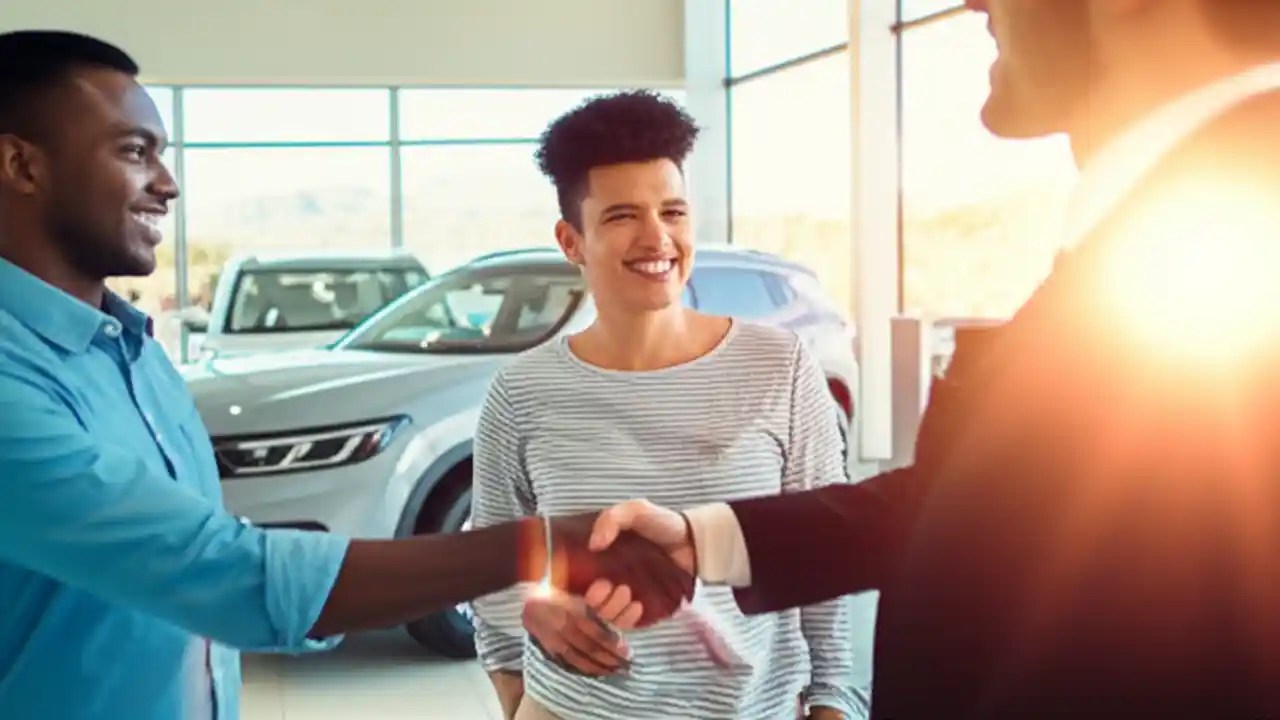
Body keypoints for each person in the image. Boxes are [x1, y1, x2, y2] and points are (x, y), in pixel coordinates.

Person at [572, 1, 1280, 717]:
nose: (973, 0)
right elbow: (1003, 508)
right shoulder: (1160, 232)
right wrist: (704, 539)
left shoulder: (1236, 250)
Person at [0, 31, 691, 720]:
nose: (167, 183)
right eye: (133, 151)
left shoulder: (134, 351)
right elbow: (228, 575)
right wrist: (545, 546)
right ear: (19, 164)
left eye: (163, 154)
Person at [470, 90, 865, 720]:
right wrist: (518, 687)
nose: (657, 237)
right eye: (623, 215)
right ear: (572, 241)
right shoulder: (522, 392)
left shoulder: (779, 367)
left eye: (673, 211)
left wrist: (833, 703)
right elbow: (489, 560)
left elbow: (826, 555)